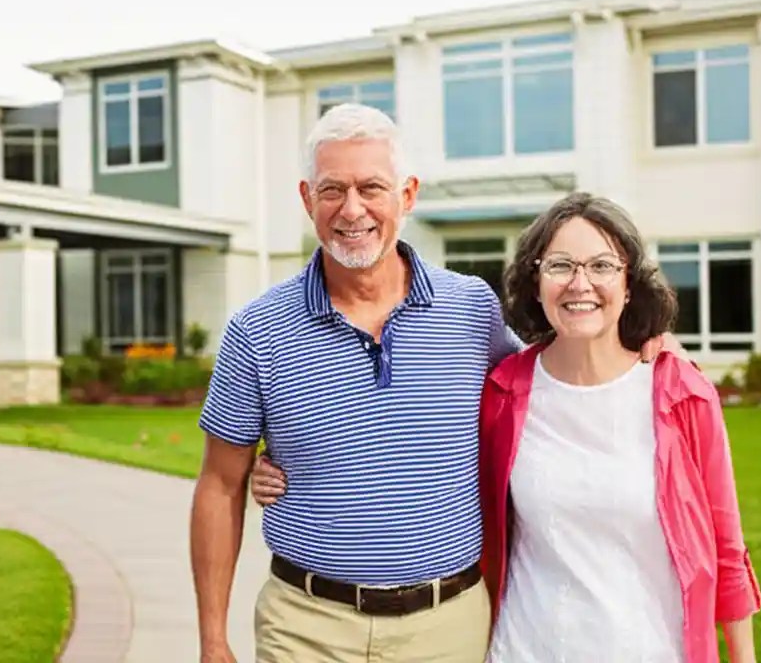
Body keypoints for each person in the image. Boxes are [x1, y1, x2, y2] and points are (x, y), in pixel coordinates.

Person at [191, 103, 674, 663]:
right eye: (332, 190)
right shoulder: (258, 329)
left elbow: (550, 380)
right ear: (307, 199)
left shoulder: (470, 308)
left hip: (448, 629)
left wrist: (644, 338)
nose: (352, 210)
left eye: (372, 187)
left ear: (408, 195)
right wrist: (212, 640)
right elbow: (219, 486)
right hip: (306, 627)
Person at [478, 192, 761, 662]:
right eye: (560, 265)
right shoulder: (503, 392)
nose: (580, 283)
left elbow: (727, 550)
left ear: (629, 284)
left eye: (602, 266)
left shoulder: (681, 393)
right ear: (536, 281)